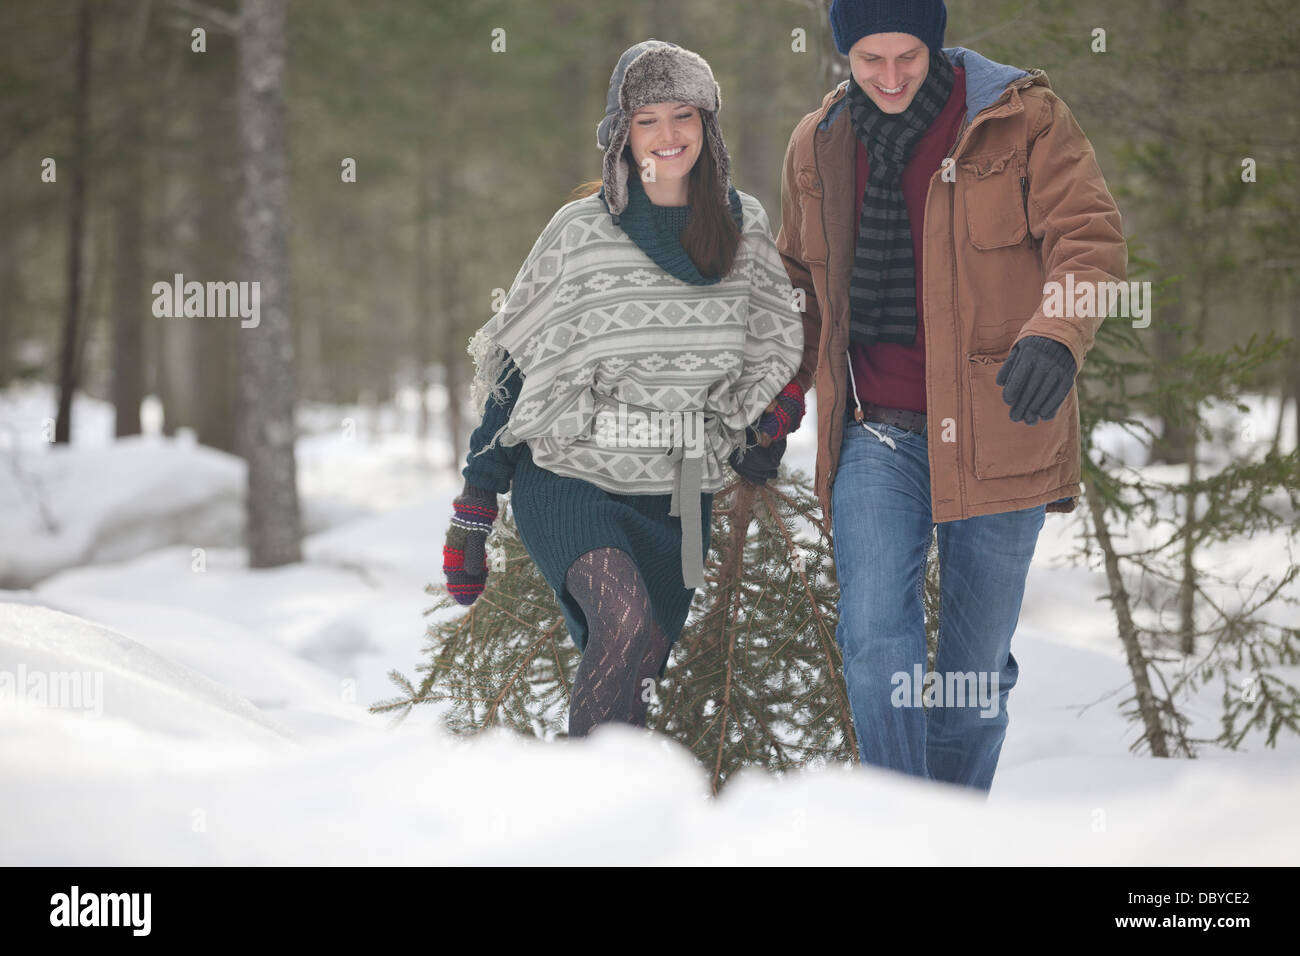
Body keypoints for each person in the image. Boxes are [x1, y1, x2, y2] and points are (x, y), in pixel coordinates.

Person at [777, 0, 1126, 791]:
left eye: (908, 57)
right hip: (878, 430)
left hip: (1001, 428)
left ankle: (954, 830)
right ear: (846, 56)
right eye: (871, 60)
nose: (891, 77)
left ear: (935, 45)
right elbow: (799, 286)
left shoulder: (1020, 119)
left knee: (973, 681)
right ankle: (904, 831)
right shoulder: (821, 141)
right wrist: (779, 398)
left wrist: (1056, 332)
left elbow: (1089, 239)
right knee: (873, 643)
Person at [443, 40, 805, 739]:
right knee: (624, 619)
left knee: (640, 663)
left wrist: (772, 420)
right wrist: (474, 507)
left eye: (683, 116)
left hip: (680, 490)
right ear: (620, 134)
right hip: (572, 474)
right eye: (647, 120)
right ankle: (583, 816)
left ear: (708, 126)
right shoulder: (580, 233)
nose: (668, 137)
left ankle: (613, 817)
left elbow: (771, 352)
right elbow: (514, 370)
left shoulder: (744, 227)